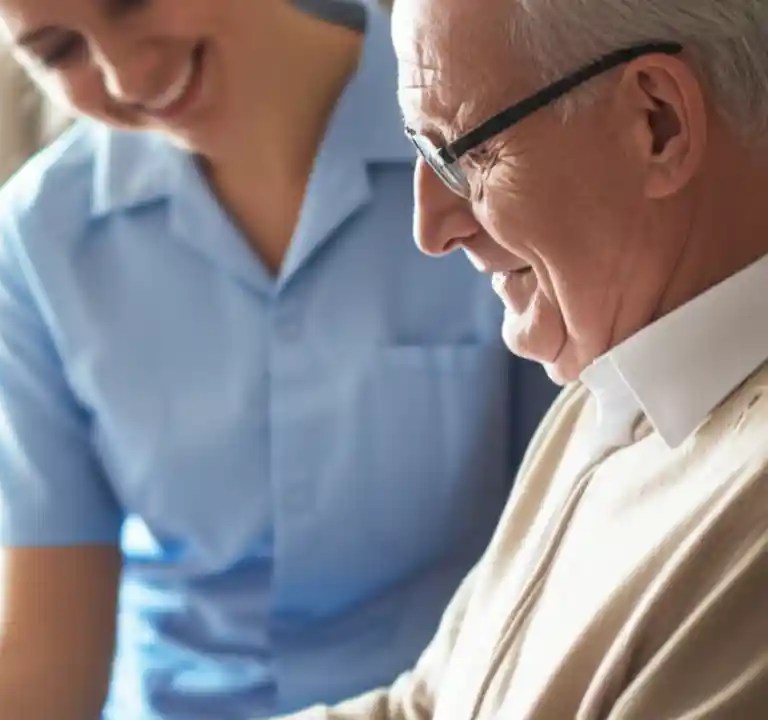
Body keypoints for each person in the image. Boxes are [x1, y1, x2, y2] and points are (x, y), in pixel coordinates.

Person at [0, 1, 556, 718]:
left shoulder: (499, 149)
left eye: (130, 1)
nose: (127, 75)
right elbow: (38, 662)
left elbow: (579, 565)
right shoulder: (40, 242)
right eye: (60, 50)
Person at [277, 0, 768, 717]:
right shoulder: (614, 387)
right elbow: (430, 706)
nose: (431, 228)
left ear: (658, 123)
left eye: (462, 154)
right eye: (421, 151)